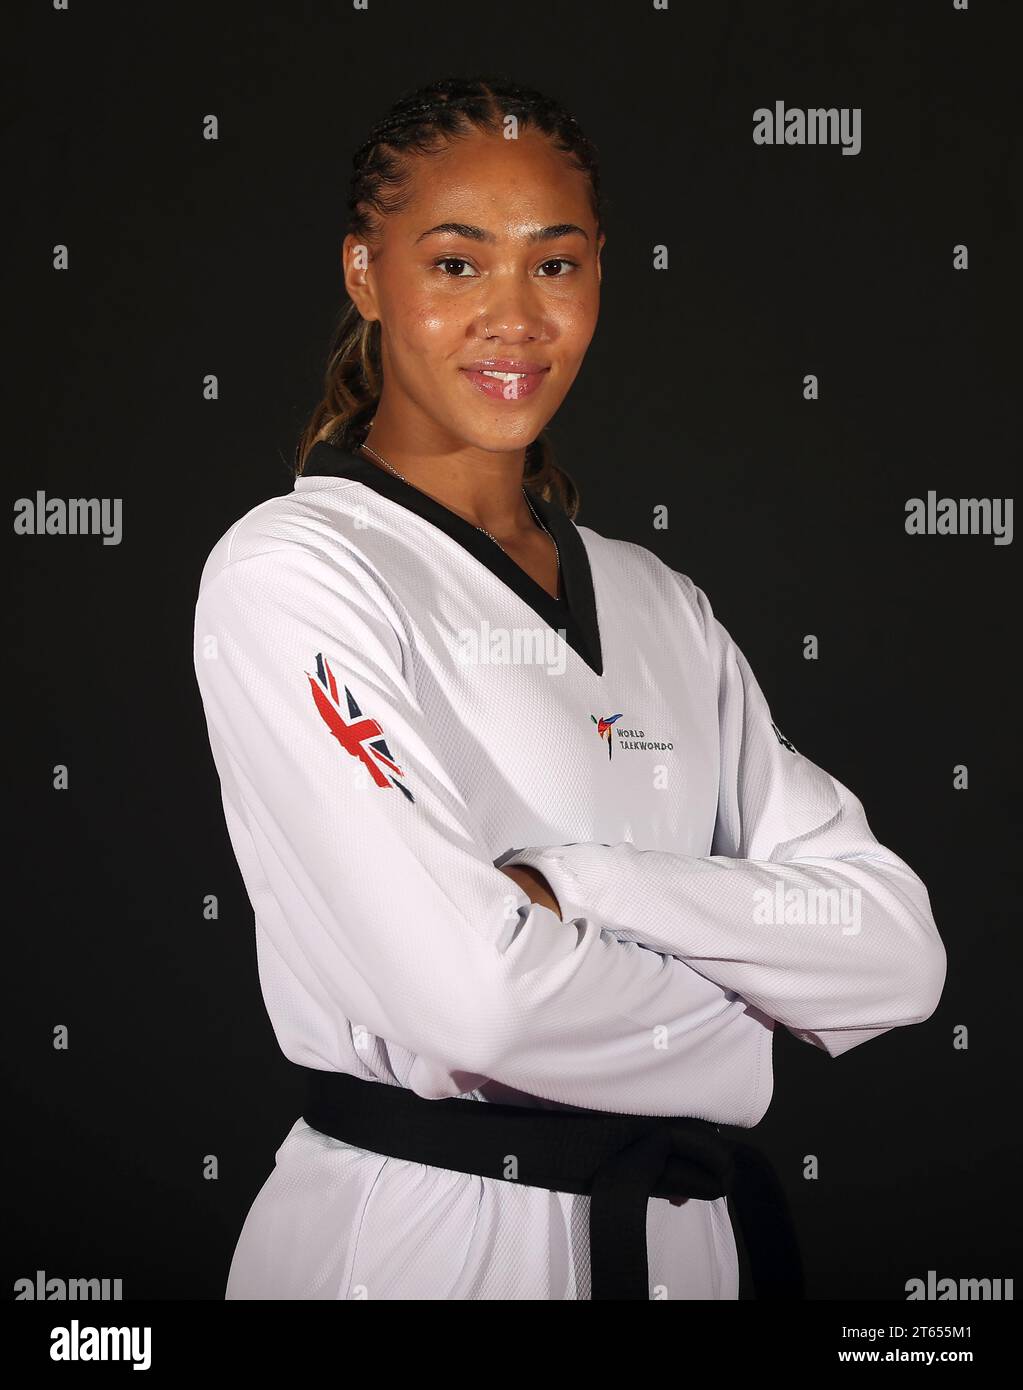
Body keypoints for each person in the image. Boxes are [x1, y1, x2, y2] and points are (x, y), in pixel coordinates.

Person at [192, 74, 946, 1300]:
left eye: (554, 266)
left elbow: (895, 953)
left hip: (685, 1247)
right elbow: (476, 1001)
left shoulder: (662, 605)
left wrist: (580, 886)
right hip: (424, 1244)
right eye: (454, 265)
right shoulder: (296, 572)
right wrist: (751, 1031)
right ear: (365, 275)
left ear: (600, 274)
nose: (515, 318)